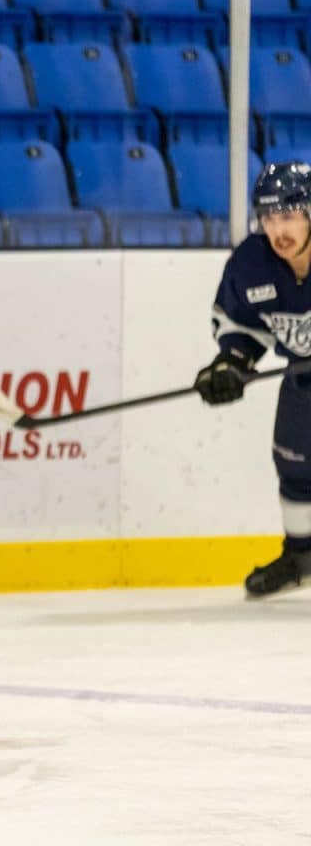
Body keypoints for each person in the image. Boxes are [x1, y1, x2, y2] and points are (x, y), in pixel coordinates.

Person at [195, 161, 311, 599]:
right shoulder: (252, 262)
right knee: (296, 464)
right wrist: (232, 363)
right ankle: (302, 554)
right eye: (268, 218)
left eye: (288, 216)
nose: (277, 229)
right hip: (303, 381)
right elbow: (240, 324)